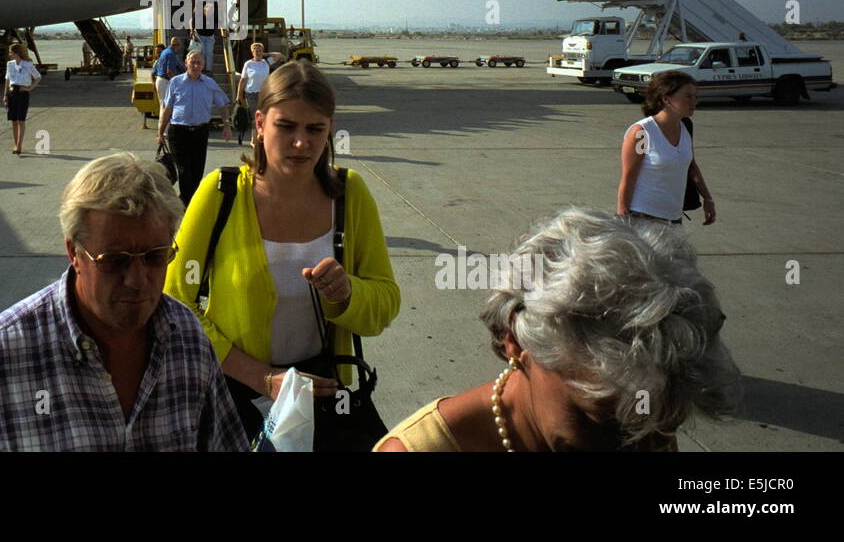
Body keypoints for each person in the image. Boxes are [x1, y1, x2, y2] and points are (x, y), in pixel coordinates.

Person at [0, 153, 247, 451]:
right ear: (73, 253)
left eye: (154, 257)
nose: (137, 280)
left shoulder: (188, 340)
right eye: (114, 260)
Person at [166, 60, 400, 444]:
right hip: (235, 392)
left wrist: (348, 294)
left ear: (330, 130)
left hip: (320, 391)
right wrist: (264, 378)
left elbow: (386, 302)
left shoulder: (349, 195)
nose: (301, 143)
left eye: (315, 129)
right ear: (259, 124)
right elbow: (175, 301)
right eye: (286, 126)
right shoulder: (220, 194)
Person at [375, 208, 740, 451]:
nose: (639, 448)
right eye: (603, 424)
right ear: (515, 339)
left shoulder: (646, 427)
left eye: (666, 431)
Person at [618, 70, 715, 225]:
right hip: (643, 217)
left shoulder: (686, 126)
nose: (694, 102)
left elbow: (691, 166)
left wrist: (708, 198)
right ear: (666, 99)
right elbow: (628, 178)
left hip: (674, 216)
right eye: (688, 96)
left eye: (695, 96)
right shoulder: (642, 133)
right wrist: (622, 219)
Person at [158, 50, 232, 205]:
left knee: (197, 172)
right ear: (186, 63)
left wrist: (226, 125)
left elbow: (223, 104)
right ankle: (188, 205)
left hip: (199, 132)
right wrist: (160, 132)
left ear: (203, 65)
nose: (196, 65)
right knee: (184, 171)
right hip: (178, 132)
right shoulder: (176, 82)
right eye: (193, 62)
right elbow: (167, 109)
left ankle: (188, 202)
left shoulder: (209, 84)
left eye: (199, 62)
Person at [235, 41, 285, 142]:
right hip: (251, 94)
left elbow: (280, 56)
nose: (257, 53)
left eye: (259, 51)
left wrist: (266, 54)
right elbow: (243, 80)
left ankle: (262, 136)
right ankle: (254, 139)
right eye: (255, 51)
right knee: (255, 116)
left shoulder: (266, 62)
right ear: (252, 52)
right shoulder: (248, 64)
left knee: (264, 115)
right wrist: (239, 95)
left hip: (263, 94)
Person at [3, 42, 41, 155]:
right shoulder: (9, 64)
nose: (10, 55)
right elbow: (7, 80)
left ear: (17, 53)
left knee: (21, 120)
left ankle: (19, 145)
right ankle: (16, 144)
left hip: (22, 93)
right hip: (12, 93)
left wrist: (30, 88)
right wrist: (5, 95)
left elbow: (38, 77)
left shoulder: (28, 64)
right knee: (14, 121)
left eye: (11, 53)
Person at [152, 36, 186, 116]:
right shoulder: (171, 54)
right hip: (164, 81)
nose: (180, 49)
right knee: (166, 107)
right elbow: (169, 72)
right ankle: (165, 127)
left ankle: (164, 126)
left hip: (160, 80)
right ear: (175, 45)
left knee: (163, 106)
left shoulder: (165, 51)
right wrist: (177, 83)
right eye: (179, 46)